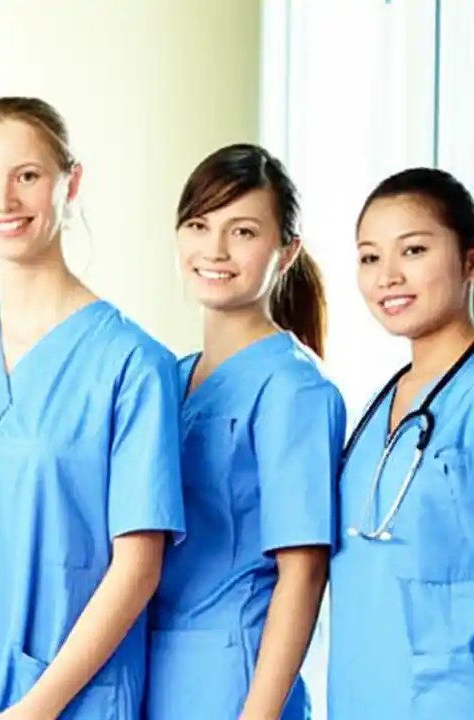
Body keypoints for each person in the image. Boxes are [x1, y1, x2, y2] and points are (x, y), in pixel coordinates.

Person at [0, 96, 185, 720]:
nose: (4, 200)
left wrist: (34, 711)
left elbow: (138, 564)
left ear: (71, 182)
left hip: (66, 703)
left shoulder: (131, 364)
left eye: (27, 176)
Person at [144, 144, 345, 720]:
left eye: (243, 232)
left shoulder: (294, 388)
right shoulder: (169, 379)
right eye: (199, 225)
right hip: (151, 670)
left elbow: (303, 572)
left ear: (287, 251)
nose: (215, 249)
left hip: (234, 677)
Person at [328, 168, 474, 719]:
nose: (388, 276)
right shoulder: (378, 407)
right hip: (360, 696)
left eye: (413, 250)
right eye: (369, 257)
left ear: (469, 261)